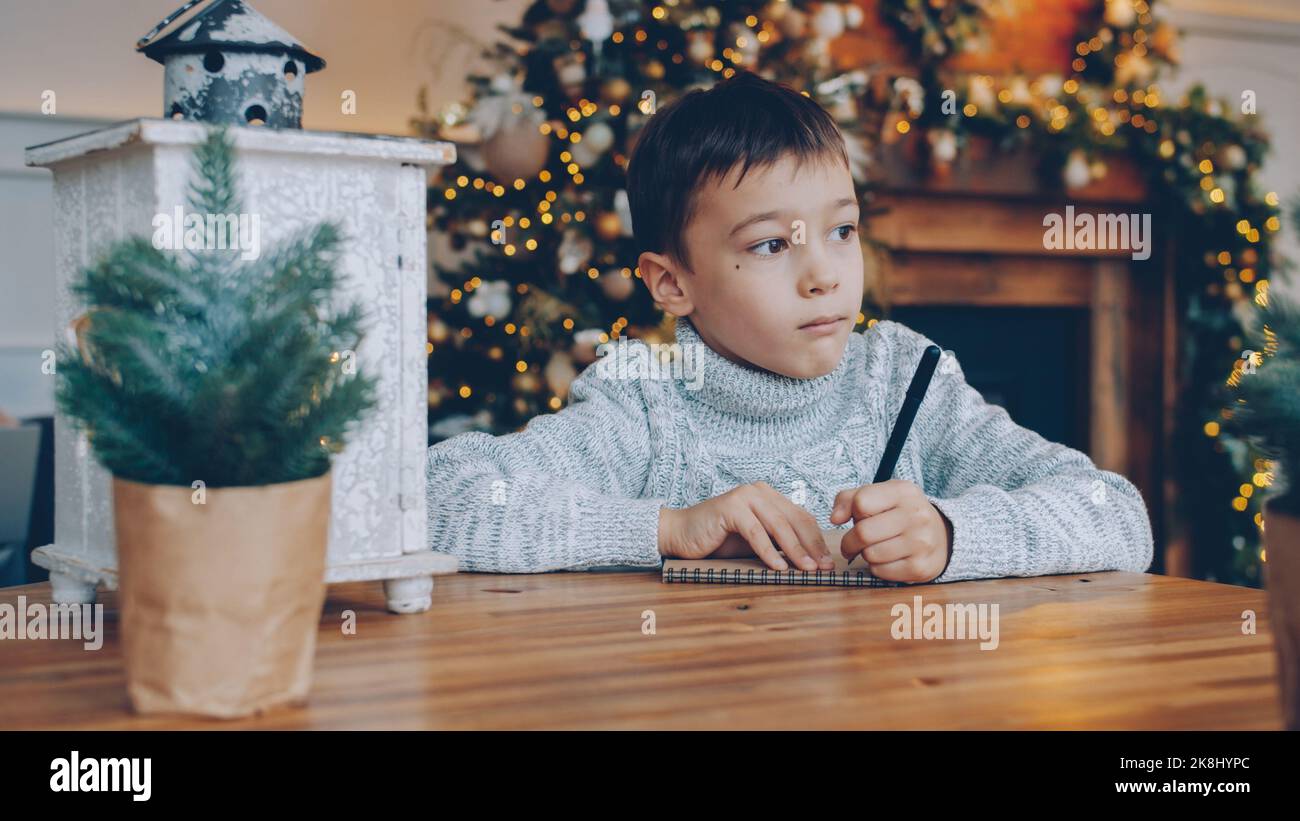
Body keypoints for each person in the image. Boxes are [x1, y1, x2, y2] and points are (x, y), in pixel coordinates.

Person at [425, 71, 1154, 582]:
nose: (825, 274)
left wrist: (955, 533)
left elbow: (1117, 516)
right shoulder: (645, 399)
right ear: (672, 284)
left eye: (842, 231)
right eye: (772, 244)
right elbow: (438, 499)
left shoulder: (906, 380)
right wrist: (666, 528)